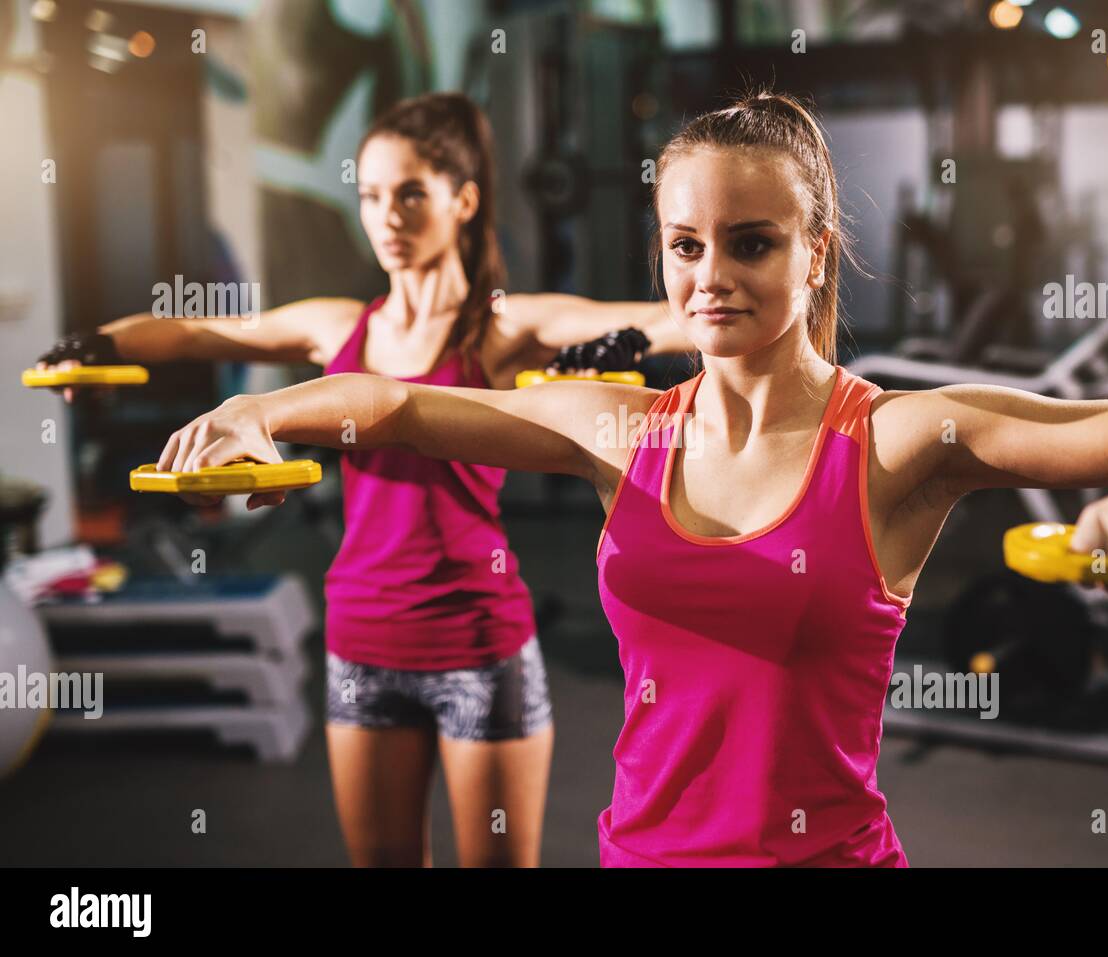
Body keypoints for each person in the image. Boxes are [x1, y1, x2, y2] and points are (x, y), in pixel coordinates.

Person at [154, 90, 1108, 867]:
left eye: (751, 243)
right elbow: (394, 406)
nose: (711, 276)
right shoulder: (617, 428)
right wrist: (255, 408)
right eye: (685, 245)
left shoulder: (893, 443)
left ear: (815, 251)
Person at [34, 92, 692, 868]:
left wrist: (621, 338)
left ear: (464, 200)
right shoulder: (338, 325)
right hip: (362, 636)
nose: (387, 216)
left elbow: (671, 320)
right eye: (372, 195)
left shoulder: (502, 326)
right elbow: (197, 329)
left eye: (410, 193)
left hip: (477, 638)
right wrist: (96, 340)